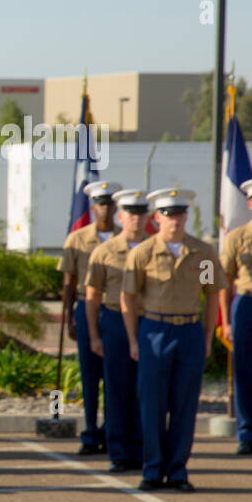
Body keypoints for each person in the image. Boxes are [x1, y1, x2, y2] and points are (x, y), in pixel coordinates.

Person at [122, 188, 224, 492]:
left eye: (180, 214)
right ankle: (152, 469)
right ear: (157, 217)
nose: (175, 221)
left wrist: (207, 336)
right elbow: (128, 297)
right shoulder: (143, 253)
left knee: (184, 404)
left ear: (186, 216)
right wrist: (133, 339)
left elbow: (212, 295)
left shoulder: (203, 253)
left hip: (189, 331)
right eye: (168, 215)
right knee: (152, 404)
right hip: (155, 329)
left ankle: (178, 470)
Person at [85, 188, 150, 473]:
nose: (136, 218)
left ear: (148, 216)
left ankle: (142, 450)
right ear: (120, 216)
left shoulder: (155, 248)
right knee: (116, 388)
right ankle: (119, 452)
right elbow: (92, 296)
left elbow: (204, 277)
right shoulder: (105, 251)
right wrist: (94, 335)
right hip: (114, 320)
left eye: (141, 213)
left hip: (149, 320)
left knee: (145, 389)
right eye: (130, 213)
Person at [58, 181, 121, 455]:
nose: (104, 208)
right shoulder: (77, 239)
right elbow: (68, 282)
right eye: (99, 204)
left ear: (115, 207)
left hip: (117, 309)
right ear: (92, 207)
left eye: (108, 203)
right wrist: (69, 318)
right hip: (86, 307)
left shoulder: (126, 238)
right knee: (89, 374)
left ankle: (112, 431)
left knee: (115, 375)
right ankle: (90, 432)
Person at [220, 177, 252, 456]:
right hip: (246, 305)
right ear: (249, 203)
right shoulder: (236, 237)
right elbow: (221, 280)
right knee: (244, 372)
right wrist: (225, 321)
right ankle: (246, 433)